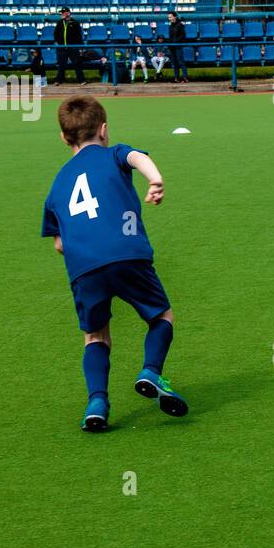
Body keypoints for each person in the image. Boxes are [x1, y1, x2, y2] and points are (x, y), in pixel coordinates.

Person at [41, 95, 188, 431]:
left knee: (95, 336)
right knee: (161, 315)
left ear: (64, 138)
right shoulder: (115, 153)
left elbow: (60, 244)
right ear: (104, 130)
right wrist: (155, 180)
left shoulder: (57, 185)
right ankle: (151, 371)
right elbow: (137, 158)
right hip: (128, 254)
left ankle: (97, 403)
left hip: (84, 268)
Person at [52, 7, 85, 85]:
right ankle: (59, 80)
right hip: (62, 47)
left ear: (68, 13)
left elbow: (79, 35)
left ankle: (81, 80)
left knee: (77, 63)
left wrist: (79, 46)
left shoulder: (75, 23)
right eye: (62, 12)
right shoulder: (59, 23)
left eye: (64, 12)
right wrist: (58, 42)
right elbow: (56, 34)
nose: (62, 14)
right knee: (61, 65)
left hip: (73, 47)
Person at [166, 12, 189, 83]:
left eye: (170, 17)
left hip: (178, 46)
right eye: (169, 17)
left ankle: (185, 77)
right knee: (174, 63)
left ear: (175, 17)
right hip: (172, 47)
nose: (169, 18)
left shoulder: (180, 25)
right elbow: (170, 37)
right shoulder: (170, 26)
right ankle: (176, 78)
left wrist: (177, 42)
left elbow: (183, 35)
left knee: (181, 62)